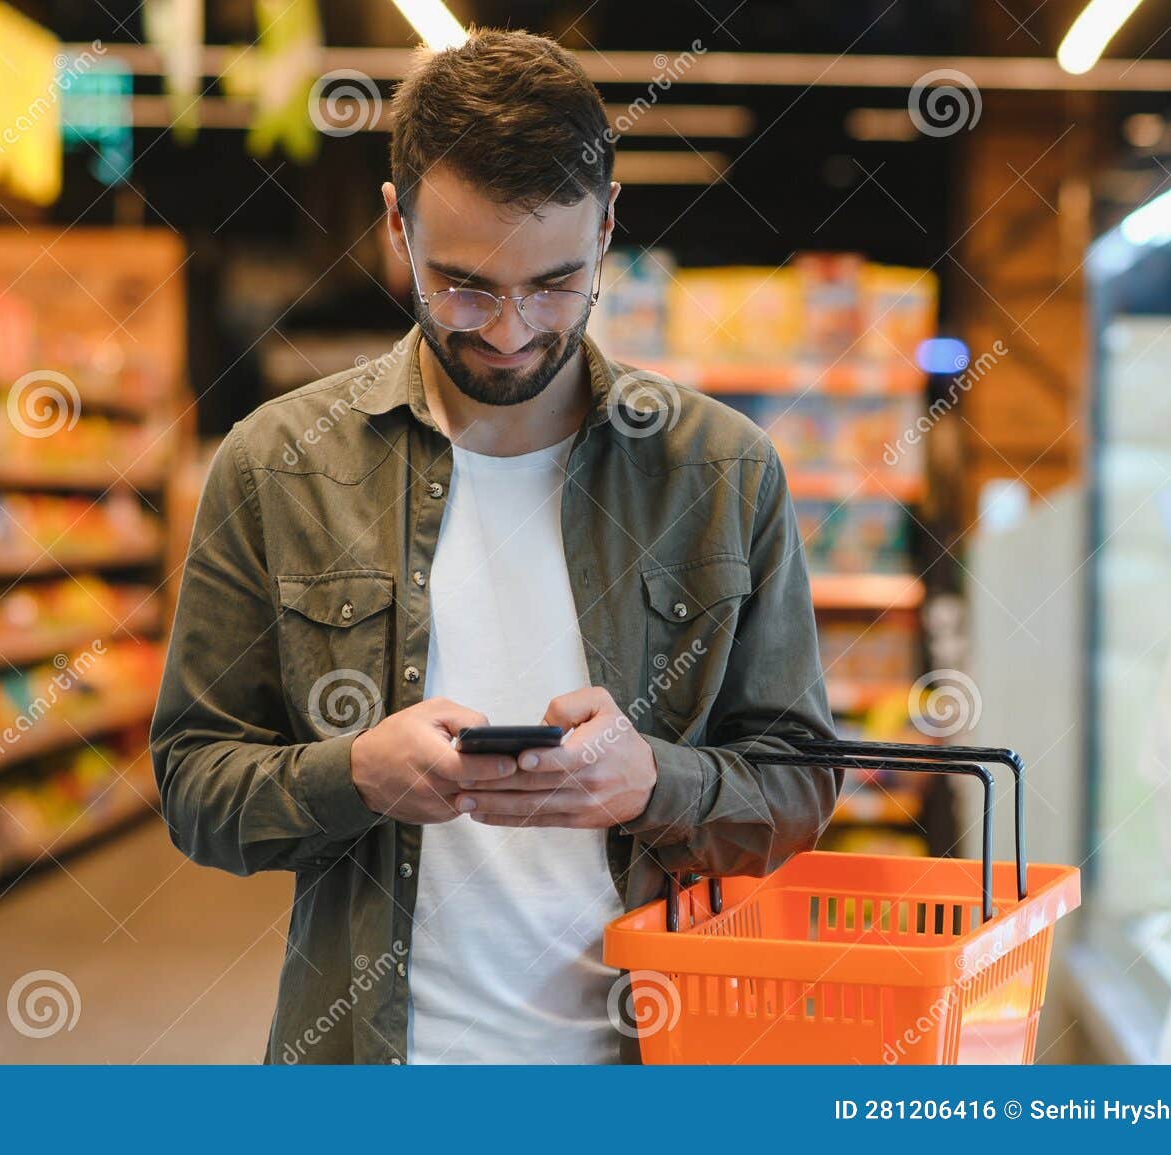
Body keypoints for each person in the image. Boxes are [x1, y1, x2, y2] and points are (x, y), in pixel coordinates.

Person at [151, 28, 838, 1065]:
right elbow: (196, 785)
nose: (511, 332)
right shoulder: (274, 466)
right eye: (464, 285)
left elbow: (799, 782)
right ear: (395, 227)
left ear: (607, 229)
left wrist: (653, 785)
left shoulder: (721, 472)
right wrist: (356, 776)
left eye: (553, 285)